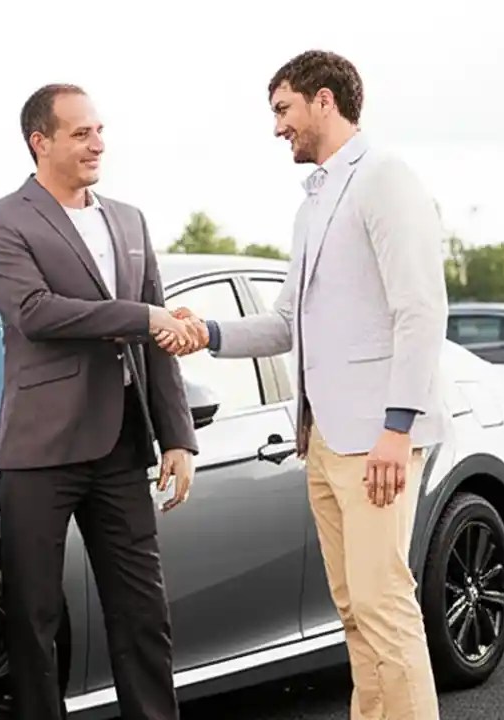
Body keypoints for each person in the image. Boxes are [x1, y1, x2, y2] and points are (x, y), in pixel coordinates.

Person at [161, 50, 448, 720]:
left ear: (324, 101)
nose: (276, 128)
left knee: (384, 605)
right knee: (354, 609)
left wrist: (395, 428)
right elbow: (288, 320)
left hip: (376, 440)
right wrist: (207, 331)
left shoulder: (385, 178)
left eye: (283, 109)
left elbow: (420, 310)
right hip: (323, 440)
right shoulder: (314, 203)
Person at [0, 83, 203, 720]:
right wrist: (145, 313)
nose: (97, 143)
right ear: (39, 142)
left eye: (99, 130)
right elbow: (36, 313)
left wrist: (176, 436)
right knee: (33, 618)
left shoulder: (129, 219)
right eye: (80, 133)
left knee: (143, 615)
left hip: (123, 444)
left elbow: (156, 340)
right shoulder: (0, 223)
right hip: (39, 450)